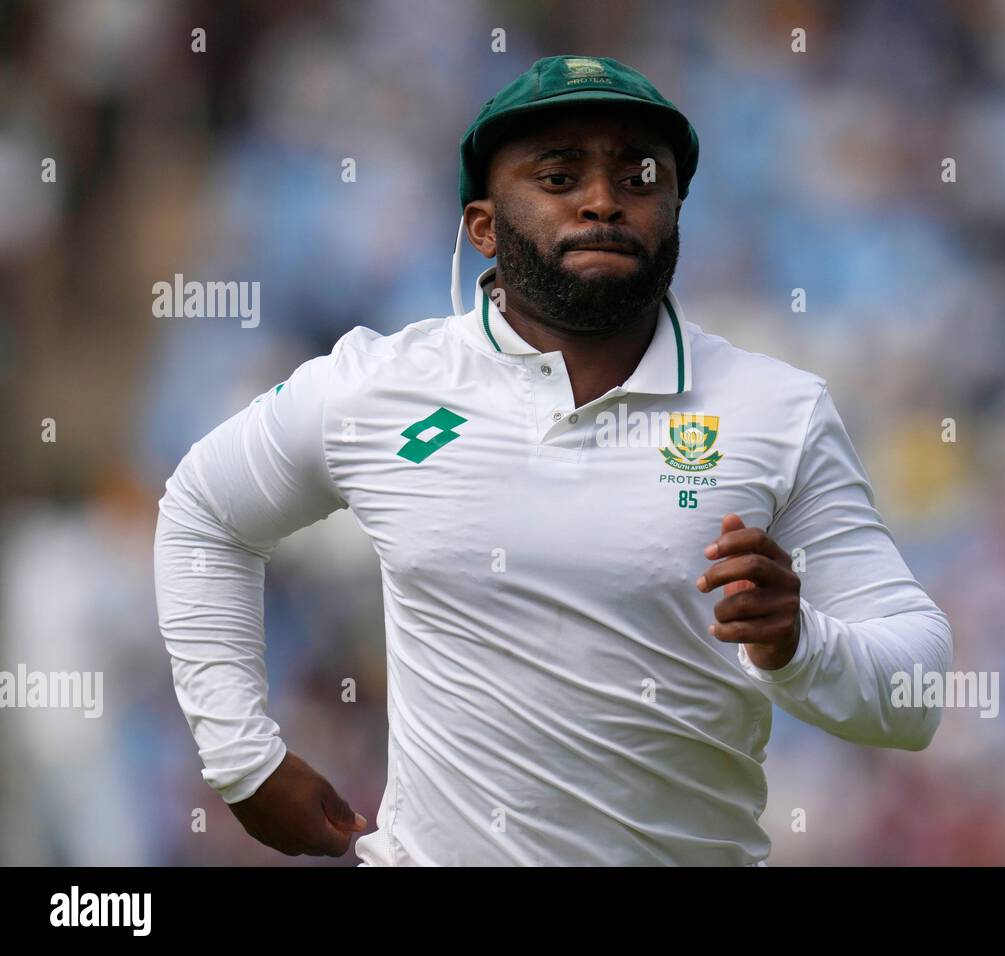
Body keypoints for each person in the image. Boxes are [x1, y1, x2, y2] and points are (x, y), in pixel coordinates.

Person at [154, 54, 953, 866]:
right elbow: (202, 513)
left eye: (640, 175)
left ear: (676, 209)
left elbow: (917, 691)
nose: (604, 200)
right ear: (483, 225)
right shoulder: (376, 387)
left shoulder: (776, 409)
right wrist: (243, 761)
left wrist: (797, 644)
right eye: (559, 174)